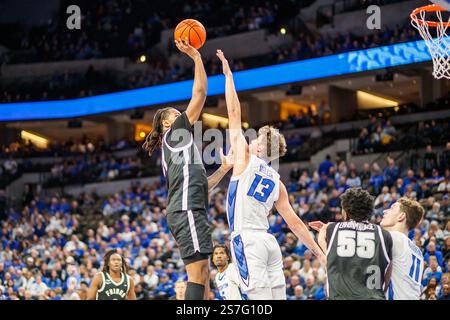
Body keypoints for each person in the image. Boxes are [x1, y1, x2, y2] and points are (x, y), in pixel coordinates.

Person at [216, 50, 326, 300]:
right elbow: (295, 224)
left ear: (257, 145)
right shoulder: (277, 182)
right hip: (269, 243)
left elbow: (234, 113)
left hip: (247, 239)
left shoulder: (245, 158)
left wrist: (228, 76)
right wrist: (319, 253)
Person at [141, 38, 232, 300]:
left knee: (203, 274)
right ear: (167, 123)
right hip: (186, 210)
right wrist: (196, 58)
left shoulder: (181, 148)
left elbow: (203, 185)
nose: (179, 113)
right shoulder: (175, 133)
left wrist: (223, 169)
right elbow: (200, 94)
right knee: (197, 275)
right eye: (174, 112)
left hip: (191, 208)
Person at [310, 188, 393, 299]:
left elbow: (324, 247)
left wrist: (323, 232)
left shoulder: (332, 229)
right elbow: (388, 274)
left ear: (346, 211)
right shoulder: (384, 234)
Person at [380, 197, 425, 300]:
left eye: (392, 208)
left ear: (401, 216)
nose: (385, 211)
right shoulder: (417, 251)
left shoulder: (395, 238)